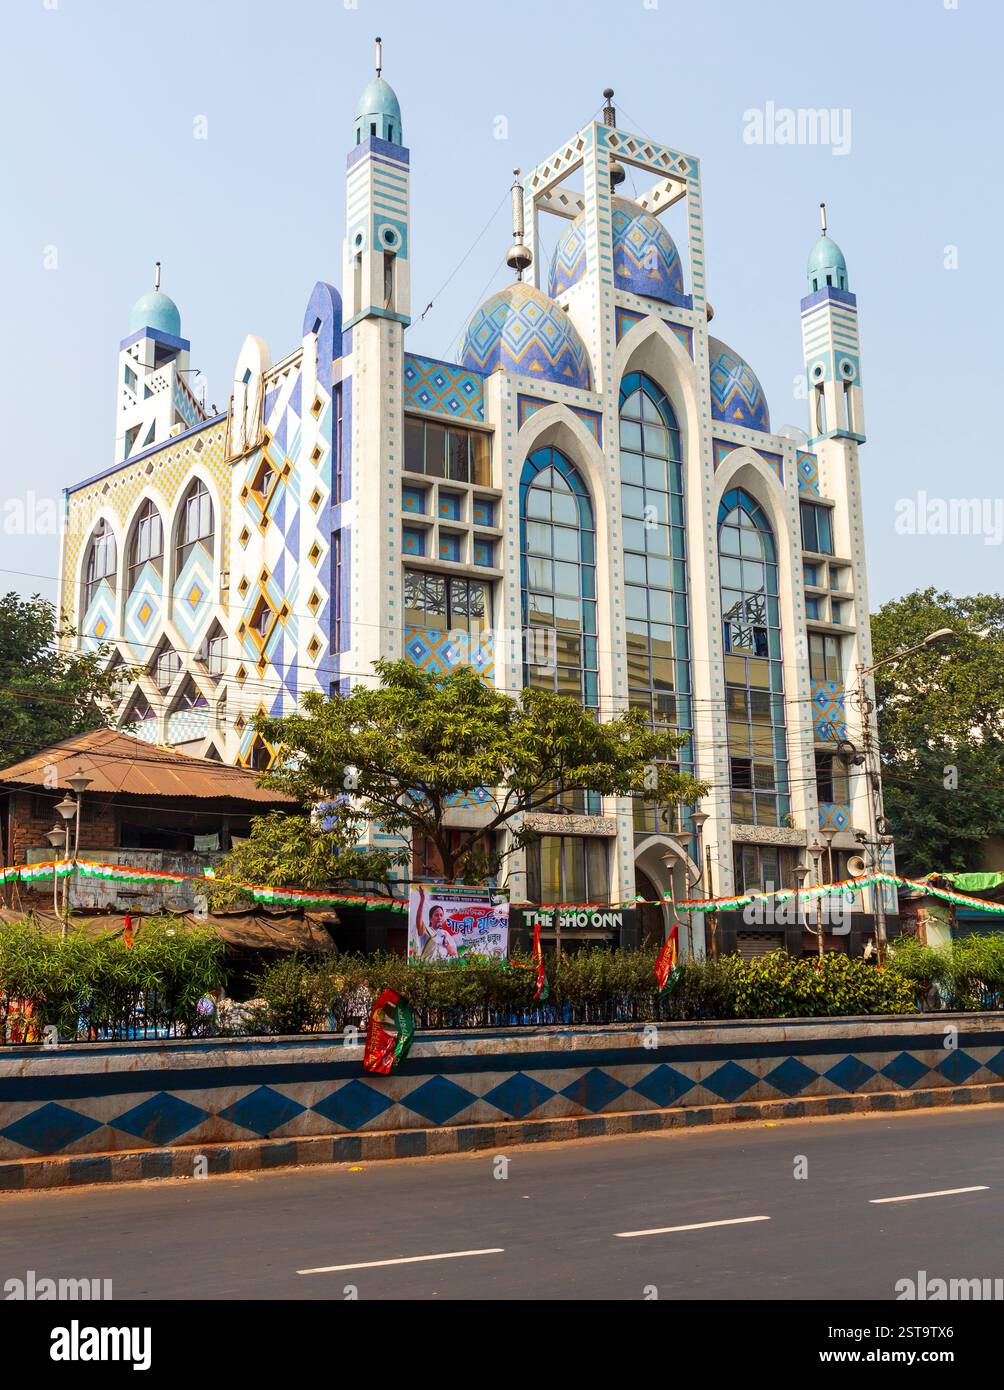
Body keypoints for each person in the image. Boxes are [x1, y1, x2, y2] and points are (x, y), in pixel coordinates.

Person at [414, 886, 459, 961]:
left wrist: (446, 944)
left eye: (441, 915)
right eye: (436, 915)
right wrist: (422, 900)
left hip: (442, 969)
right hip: (427, 968)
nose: (439, 917)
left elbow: (454, 953)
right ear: (430, 919)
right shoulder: (427, 931)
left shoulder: (446, 934)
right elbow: (418, 922)